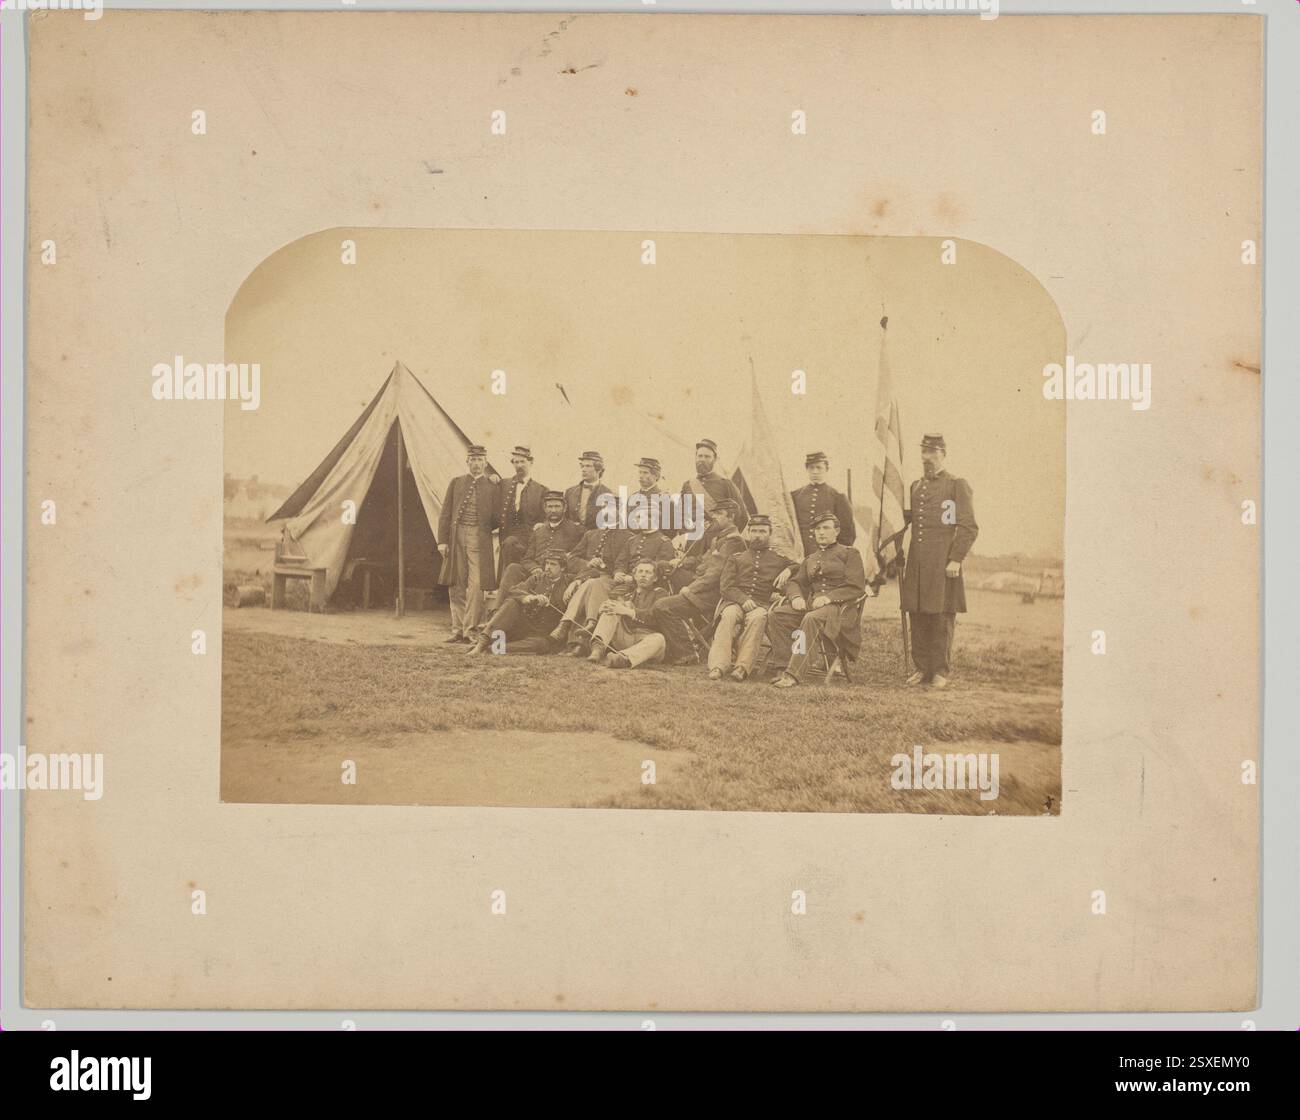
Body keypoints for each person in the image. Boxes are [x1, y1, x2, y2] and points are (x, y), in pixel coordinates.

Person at [900, 433, 978, 689]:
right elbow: (904, 521)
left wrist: (956, 559)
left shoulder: (957, 484)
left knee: (941, 617)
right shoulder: (915, 486)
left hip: (943, 562)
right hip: (917, 562)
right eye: (924, 452)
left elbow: (968, 527)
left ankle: (940, 671)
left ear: (943, 453)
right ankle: (922, 668)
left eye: (933, 452)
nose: (927, 458)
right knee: (918, 614)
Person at [768, 513, 866, 688]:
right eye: (817, 529)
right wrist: (796, 597)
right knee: (777, 615)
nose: (821, 532)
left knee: (811, 618)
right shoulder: (811, 558)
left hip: (841, 609)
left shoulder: (849, 553)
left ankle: (793, 675)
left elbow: (856, 586)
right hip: (814, 607)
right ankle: (782, 667)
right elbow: (795, 582)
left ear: (836, 531)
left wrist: (829, 597)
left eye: (826, 528)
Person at [551, 521, 676, 656]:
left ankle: (583, 638)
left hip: (642, 582)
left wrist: (634, 577)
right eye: (639, 516)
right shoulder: (632, 540)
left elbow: (660, 568)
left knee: (602, 595)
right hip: (623, 580)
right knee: (594, 583)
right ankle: (581, 622)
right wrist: (618, 572)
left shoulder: (664, 541)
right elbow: (621, 561)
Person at [646, 500, 747, 661]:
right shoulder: (720, 539)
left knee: (662, 607)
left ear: (732, 516)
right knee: (665, 567)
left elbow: (715, 574)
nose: (715, 518)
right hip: (703, 587)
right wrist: (680, 562)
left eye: (719, 514)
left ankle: (687, 652)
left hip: (715, 594)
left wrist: (691, 588)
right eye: (714, 514)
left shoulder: (733, 541)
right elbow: (702, 560)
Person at [709, 514, 797, 682]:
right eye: (754, 531)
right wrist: (743, 599)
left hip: (761, 604)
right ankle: (718, 666)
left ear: (770, 534)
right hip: (734, 601)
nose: (757, 535)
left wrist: (789, 570)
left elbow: (799, 566)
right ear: (748, 533)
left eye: (762, 531)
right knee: (728, 616)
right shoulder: (736, 558)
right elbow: (726, 587)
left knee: (758, 617)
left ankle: (742, 667)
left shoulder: (778, 560)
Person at [437, 444, 499, 643]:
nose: (476, 464)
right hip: (456, 537)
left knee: (476, 584)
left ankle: (470, 629)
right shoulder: (456, 482)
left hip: (478, 538)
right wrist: (442, 541)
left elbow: (498, 517)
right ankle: (457, 629)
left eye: (480, 460)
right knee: (455, 583)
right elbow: (445, 512)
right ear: (467, 462)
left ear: (486, 463)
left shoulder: (493, 486)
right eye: (473, 460)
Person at [467, 549, 570, 656]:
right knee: (512, 602)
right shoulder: (537, 579)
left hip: (543, 633)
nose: (548, 567)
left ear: (562, 568)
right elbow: (513, 590)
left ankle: (492, 648)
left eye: (553, 564)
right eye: (547, 563)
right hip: (525, 626)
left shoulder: (568, 583)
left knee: (540, 644)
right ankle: (482, 644)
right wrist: (528, 597)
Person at [586, 559, 674, 669]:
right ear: (635, 576)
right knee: (611, 609)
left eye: (648, 572)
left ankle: (623, 659)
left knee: (659, 639)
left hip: (648, 641)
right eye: (640, 572)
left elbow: (656, 618)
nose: (643, 575)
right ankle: (598, 649)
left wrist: (629, 611)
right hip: (626, 637)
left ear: (655, 578)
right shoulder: (627, 593)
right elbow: (613, 613)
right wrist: (603, 608)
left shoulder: (661, 593)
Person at [497, 490, 583, 596]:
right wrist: (534, 568)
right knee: (513, 568)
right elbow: (527, 559)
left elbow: (577, 558)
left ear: (564, 508)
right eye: (550, 507)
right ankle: (497, 609)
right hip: (535, 575)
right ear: (545, 509)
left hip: (557, 577)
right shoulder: (539, 531)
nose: (553, 510)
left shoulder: (575, 530)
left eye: (557, 506)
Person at [496, 445, 548, 580]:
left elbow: (547, 517)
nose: (519, 465)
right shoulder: (503, 484)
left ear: (531, 462)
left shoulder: (541, 490)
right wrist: (491, 478)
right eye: (516, 462)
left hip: (531, 538)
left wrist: (542, 524)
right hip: (508, 535)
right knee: (509, 544)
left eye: (522, 462)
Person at [790, 451, 856, 557]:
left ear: (826, 469)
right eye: (811, 468)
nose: (815, 471)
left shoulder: (838, 497)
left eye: (819, 467)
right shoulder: (795, 495)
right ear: (806, 469)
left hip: (828, 556)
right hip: (800, 554)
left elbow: (847, 532)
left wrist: (835, 555)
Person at [678, 438, 747, 538]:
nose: (702, 459)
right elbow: (681, 517)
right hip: (693, 543)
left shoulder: (726, 484)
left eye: (707, 457)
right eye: (700, 456)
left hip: (718, 543)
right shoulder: (687, 485)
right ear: (695, 457)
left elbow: (742, 517)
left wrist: (727, 539)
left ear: (714, 459)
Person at [565, 451, 614, 531]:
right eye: (582, 466)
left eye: (588, 466)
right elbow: (564, 518)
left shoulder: (608, 494)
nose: (583, 469)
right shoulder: (570, 492)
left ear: (598, 470)